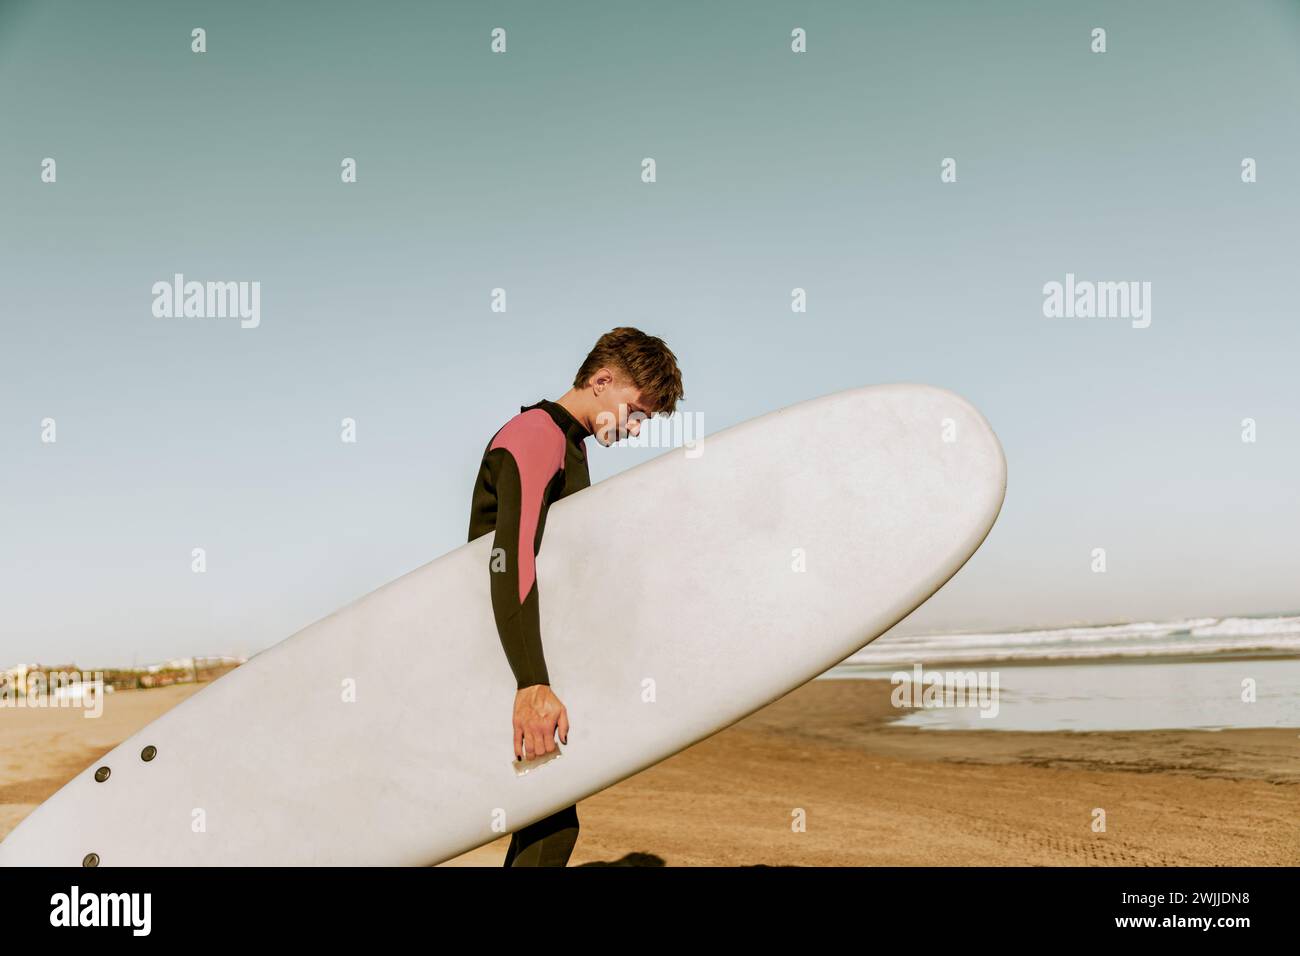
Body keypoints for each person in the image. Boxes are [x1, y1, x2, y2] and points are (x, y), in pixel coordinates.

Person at [467, 327, 684, 866]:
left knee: (548, 817)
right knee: (551, 821)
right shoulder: (536, 434)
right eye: (635, 411)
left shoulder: (567, 444)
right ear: (601, 379)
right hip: (503, 655)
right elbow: (511, 556)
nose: (636, 428)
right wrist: (531, 683)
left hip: (517, 651)